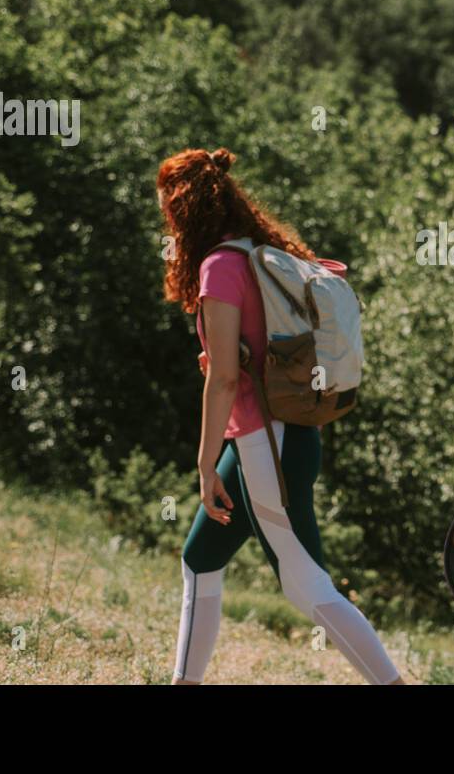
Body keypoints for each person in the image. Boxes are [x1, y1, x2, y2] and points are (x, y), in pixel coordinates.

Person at [157, 147, 402, 685]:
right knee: (200, 559)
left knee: (305, 584)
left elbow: (224, 377)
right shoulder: (256, 251)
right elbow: (245, 356)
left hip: (268, 446)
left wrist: (203, 463)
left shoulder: (219, 266)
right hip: (267, 441)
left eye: (166, 210)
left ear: (183, 208)